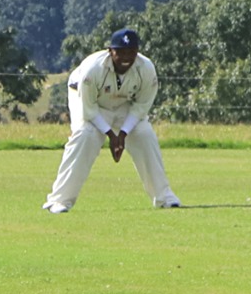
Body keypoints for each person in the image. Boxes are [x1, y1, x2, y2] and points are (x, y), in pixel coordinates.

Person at [43, 27, 180, 213]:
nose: (126, 57)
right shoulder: (92, 69)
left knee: (144, 134)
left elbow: (141, 107)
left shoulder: (146, 69)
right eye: (120, 52)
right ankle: (59, 200)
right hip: (87, 101)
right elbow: (89, 110)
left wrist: (122, 134)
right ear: (110, 51)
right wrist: (111, 136)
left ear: (137, 52)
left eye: (131, 52)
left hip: (124, 104)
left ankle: (164, 197)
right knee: (85, 136)